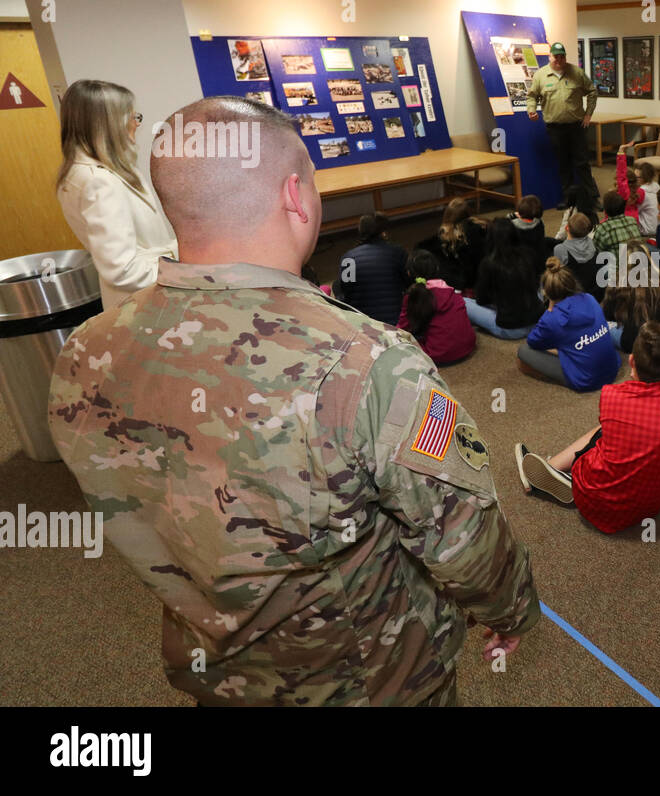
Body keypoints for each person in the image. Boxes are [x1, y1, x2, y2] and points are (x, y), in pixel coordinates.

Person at [46, 95, 538, 706]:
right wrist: (512, 611)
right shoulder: (368, 364)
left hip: (217, 676)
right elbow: (461, 534)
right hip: (373, 680)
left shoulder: (83, 355)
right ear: (294, 196)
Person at [513, 322, 660, 531]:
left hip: (594, 500)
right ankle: (548, 471)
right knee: (631, 433)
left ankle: (552, 469)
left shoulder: (611, 395)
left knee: (601, 434)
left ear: (632, 361)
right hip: (651, 506)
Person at [55, 78, 177, 310]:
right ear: (109, 124)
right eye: (132, 116)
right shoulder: (97, 181)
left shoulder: (94, 171)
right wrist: (183, 270)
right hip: (145, 303)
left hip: (148, 297)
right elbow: (123, 270)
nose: (137, 123)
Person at [518, 258, 621, 392]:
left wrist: (550, 309)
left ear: (546, 292)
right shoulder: (589, 298)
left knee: (524, 350)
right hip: (613, 367)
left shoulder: (551, 318)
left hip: (588, 380)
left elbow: (532, 341)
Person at [526, 41, 599, 204]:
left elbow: (592, 92)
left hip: (576, 126)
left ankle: (592, 198)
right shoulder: (540, 75)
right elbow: (531, 96)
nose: (559, 60)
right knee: (563, 164)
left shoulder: (577, 73)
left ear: (565, 57)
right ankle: (568, 199)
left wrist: (589, 114)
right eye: (555, 56)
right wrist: (531, 109)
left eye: (562, 56)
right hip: (555, 128)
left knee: (582, 163)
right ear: (549, 56)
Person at [465, 218, 545, 338]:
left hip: (510, 328)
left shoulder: (489, 264)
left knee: (463, 302)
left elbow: (481, 300)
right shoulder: (529, 253)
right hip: (537, 319)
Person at [398, 249, 475, 365]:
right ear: (437, 268)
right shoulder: (450, 290)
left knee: (404, 344)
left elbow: (402, 328)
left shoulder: (412, 296)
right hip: (468, 347)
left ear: (409, 272)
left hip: (438, 355)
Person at [601, 241, 660, 352]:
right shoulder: (659, 277)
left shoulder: (617, 282)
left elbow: (607, 313)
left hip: (633, 342)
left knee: (601, 323)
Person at [334, 212, 408, 325]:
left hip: (364, 325)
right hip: (396, 322)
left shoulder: (348, 259)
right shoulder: (398, 252)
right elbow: (407, 282)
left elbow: (345, 293)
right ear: (383, 233)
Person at [419, 197, 486, 292]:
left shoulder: (443, 235)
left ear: (447, 214)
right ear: (468, 213)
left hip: (454, 282)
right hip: (477, 279)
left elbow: (421, 247)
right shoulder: (479, 228)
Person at [552, 210, 601, 301]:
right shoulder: (593, 244)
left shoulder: (560, 249)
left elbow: (557, 278)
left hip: (571, 295)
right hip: (593, 294)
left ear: (567, 228)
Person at [616, 154, 660, 236]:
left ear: (644, 178)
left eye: (636, 177)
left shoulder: (641, 192)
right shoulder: (656, 186)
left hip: (647, 229)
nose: (634, 179)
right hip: (658, 226)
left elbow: (632, 210)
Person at [509, 194, 553, 270]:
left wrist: (512, 215)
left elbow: (504, 222)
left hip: (520, 262)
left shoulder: (512, 225)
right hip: (539, 260)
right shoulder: (539, 223)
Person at [591, 188, 642, 253]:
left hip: (618, 262)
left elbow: (595, 249)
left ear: (606, 210)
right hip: (638, 259)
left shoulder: (603, 228)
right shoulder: (632, 220)